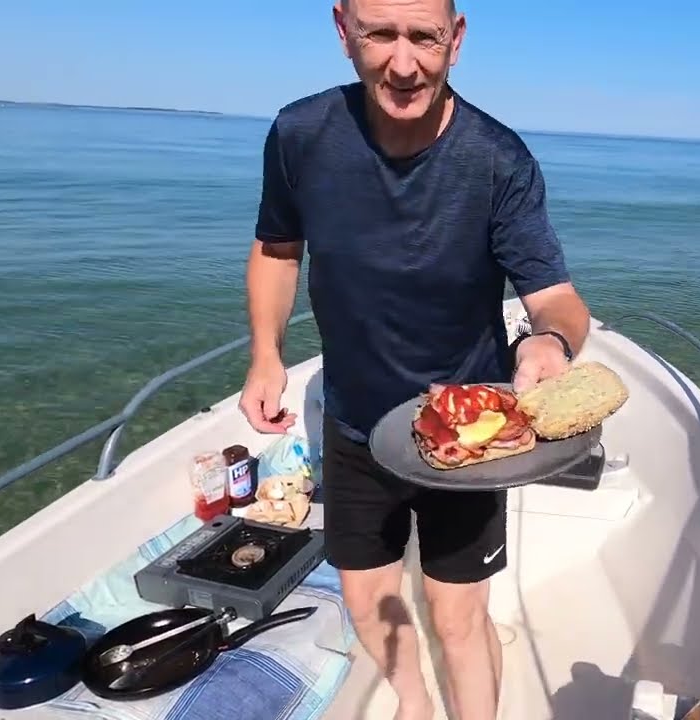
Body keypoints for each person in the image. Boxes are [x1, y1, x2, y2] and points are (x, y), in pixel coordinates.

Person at [238, 0, 591, 718]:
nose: (404, 62)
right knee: (367, 598)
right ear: (344, 32)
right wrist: (266, 355)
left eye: (424, 37)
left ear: (455, 39)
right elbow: (278, 248)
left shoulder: (498, 160)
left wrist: (549, 342)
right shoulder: (300, 134)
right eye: (381, 34)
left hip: (469, 436)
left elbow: (557, 299)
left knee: (456, 615)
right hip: (356, 417)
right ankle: (413, 700)